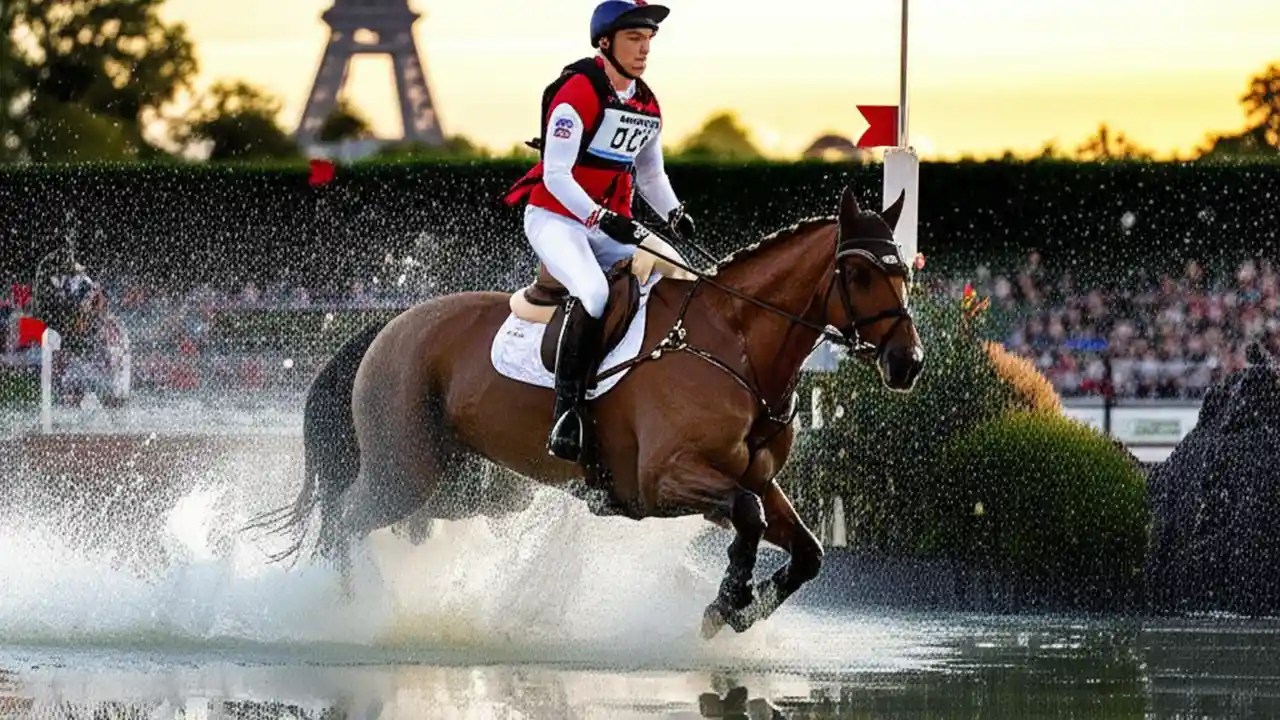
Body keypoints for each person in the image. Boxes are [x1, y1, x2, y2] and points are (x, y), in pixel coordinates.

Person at [503, 0, 696, 463]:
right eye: (634, 38)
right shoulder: (579, 92)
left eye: (649, 39)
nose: (644, 48)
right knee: (592, 293)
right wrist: (596, 217)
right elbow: (556, 176)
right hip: (556, 219)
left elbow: (650, 177)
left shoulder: (646, 103)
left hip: (607, 222)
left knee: (682, 274)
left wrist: (674, 214)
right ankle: (566, 413)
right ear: (605, 42)